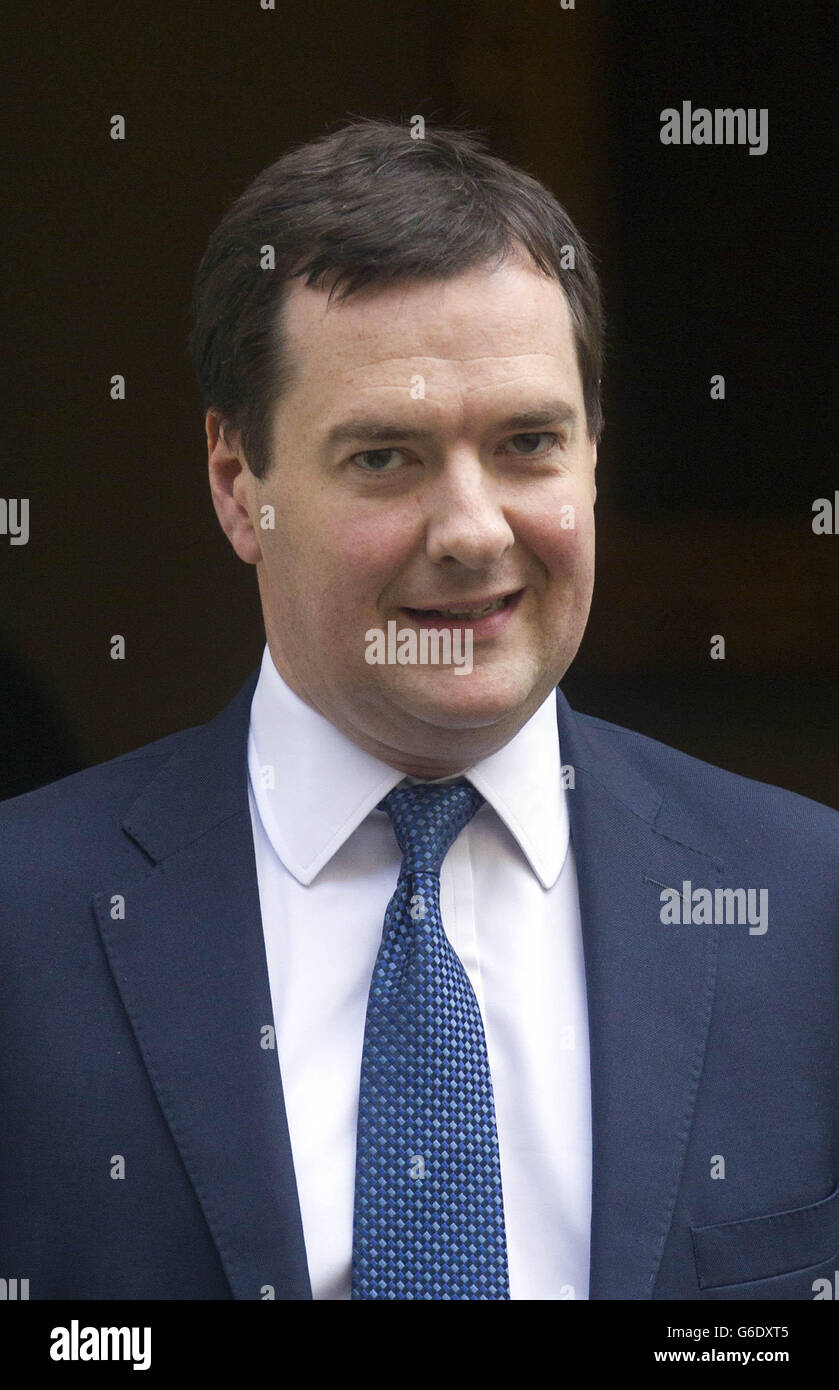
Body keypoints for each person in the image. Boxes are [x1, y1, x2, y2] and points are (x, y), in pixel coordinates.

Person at [1, 118, 837, 1302]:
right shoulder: (25, 929)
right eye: (385, 457)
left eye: (526, 444)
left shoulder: (805, 908)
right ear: (239, 486)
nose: (473, 530)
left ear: (593, 455)